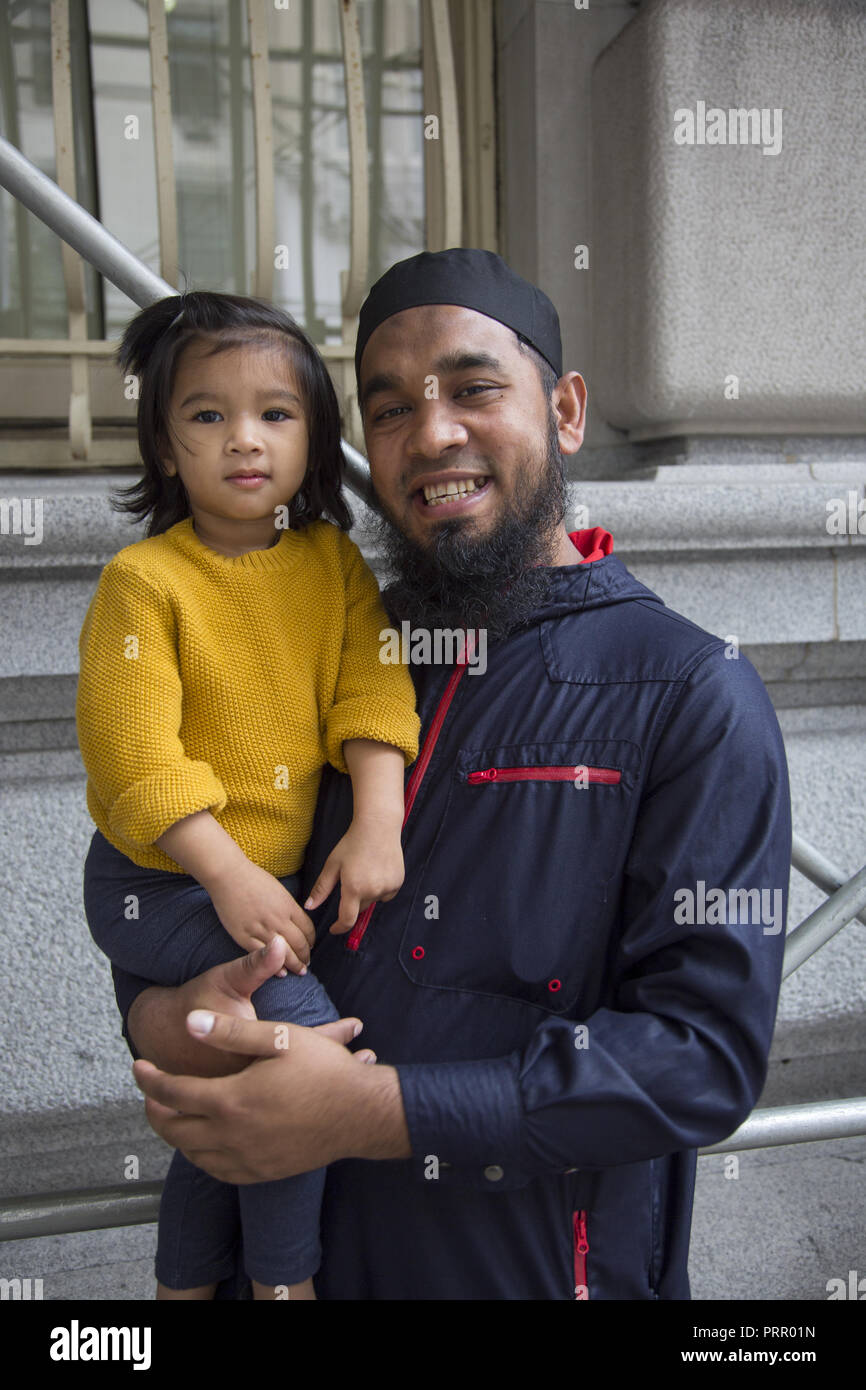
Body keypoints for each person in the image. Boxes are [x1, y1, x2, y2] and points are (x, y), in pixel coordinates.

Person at [118, 250, 792, 1300]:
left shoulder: (689, 691)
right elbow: (167, 892)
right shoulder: (314, 655)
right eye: (387, 409)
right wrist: (170, 1019)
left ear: (565, 410)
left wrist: (375, 1110)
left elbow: (697, 1057)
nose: (430, 434)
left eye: (474, 389)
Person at [76, 291, 420, 1300]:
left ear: (315, 438)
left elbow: (371, 688)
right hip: (165, 878)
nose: (243, 440)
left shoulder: (330, 563)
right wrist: (224, 874)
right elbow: (135, 753)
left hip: (261, 880)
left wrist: (377, 819)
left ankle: (182, 1288)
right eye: (206, 414)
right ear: (164, 444)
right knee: (300, 1052)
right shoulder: (145, 583)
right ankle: (284, 1284)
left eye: (275, 413)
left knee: (218, 1094)